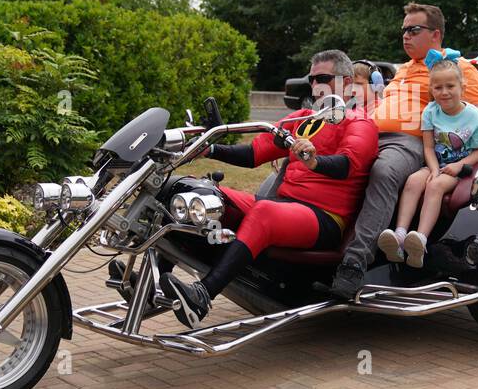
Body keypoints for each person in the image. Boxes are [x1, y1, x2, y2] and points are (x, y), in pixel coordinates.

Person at [161, 49, 378, 325]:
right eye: (311, 80)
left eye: (322, 78)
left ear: (347, 83)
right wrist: (210, 148)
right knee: (196, 193)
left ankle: (203, 294)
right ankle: (156, 283)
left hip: (325, 218)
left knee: (264, 212)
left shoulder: (360, 123)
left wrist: (314, 161)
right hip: (286, 206)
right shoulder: (303, 117)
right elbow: (254, 154)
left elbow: (347, 164)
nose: (314, 86)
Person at [329, 2, 478, 299]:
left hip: (411, 141)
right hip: (369, 133)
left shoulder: (454, 68)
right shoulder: (402, 69)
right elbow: (381, 105)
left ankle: (355, 262)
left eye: (413, 29)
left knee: (383, 170)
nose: (405, 35)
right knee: (318, 161)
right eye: (403, 30)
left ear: (435, 34)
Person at [378, 53, 478, 267]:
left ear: (462, 88)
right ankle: (400, 235)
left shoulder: (474, 116)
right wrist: (434, 168)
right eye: (438, 88)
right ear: (431, 90)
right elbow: (428, 147)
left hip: (460, 169)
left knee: (436, 186)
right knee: (413, 181)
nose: (444, 92)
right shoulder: (431, 111)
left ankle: (420, 238)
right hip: (435, 164)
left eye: (450, 86)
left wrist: (456, 167)